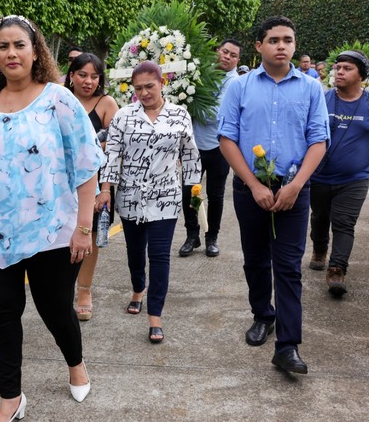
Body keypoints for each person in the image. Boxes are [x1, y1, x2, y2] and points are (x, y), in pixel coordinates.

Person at [0, 15, 103, 422]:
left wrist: (84, 227)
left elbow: (86, 163)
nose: (11, 53)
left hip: (51, 232)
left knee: (55, 309)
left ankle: (76, 364)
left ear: (36, 52)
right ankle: (11, 398)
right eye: (2, 47)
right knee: (1, 316)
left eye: (19, 45)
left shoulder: (58, 99)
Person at [218, 15, 329, 375]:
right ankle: (262, 315)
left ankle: (288, 345)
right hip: (250, 187)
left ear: (294, 45)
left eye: (288, 40)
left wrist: (296, 186)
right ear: (259, 46)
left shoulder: (311, 88)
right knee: (255, 259)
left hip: (294, 189)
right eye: (274, 40)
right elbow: (227, 138)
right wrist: (253, 184)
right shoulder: (240, 87)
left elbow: (319, 140)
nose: (282, 46)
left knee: (288, 266)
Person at [100, 61, 201, 344]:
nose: (144, 93)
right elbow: (112, 154)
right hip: (130, 196)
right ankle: (138, 289)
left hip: (165, 196)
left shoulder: (179, 115)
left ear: (162, 84)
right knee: (135, 251)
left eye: (149, 86)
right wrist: (105, 189)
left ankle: (155, 315)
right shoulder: (124, 117)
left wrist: (194, 190)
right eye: (138, 88)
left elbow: (190, 153)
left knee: (159, 255)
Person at [308, 50, 369, 296]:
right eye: (337, 67)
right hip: (318, 176)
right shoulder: (322, 100)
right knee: (319, 217)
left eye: (347, 68)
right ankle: (319, 248)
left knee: (344, 223)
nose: (339, 72)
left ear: (362, 75)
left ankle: (337, 269)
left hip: (354, 179)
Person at [64, 52, 119, 321]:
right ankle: (63, 289)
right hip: (61, 183)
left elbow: (115, 150)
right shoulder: (59, 99)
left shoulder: (106, 103)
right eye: (83, 75)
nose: (88, 81)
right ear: (71, 75)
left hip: (97, 184)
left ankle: (84, 290)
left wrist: (105, 189)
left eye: (94, 76)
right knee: (62, 237)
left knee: (91, 238)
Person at [179, 38, 241, 258]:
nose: (227, 57)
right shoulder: (200, 71)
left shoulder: (234, 82)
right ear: (218, 51)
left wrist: (188, 106)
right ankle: (192, 235)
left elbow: (215, 114)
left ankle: (211, 237)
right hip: (193, 145)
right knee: (188, 192)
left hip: (220, 147)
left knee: (216, 195)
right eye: (225, 52)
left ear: (238, 60)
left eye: (233, 55)